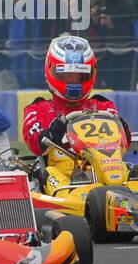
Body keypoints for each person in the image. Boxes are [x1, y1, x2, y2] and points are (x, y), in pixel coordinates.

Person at [21, 34, 127, 191]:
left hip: (107, 169)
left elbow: (126, 142)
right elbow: (36, 145)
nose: (73, 81)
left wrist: (122, 126)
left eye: (79, 76)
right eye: (67, 75)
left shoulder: (103, 106)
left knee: (134, 172)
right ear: (50, 70)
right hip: (64, 178)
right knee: (51, 174)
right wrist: (57, 128)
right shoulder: (38, 109)